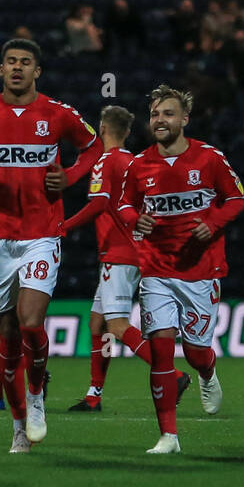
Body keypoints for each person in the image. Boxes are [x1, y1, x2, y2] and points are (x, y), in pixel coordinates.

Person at [0, 39, 103, 453]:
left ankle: (36, 395)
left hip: (42, 233)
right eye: (10, 62)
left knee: (31, 320)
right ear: (1, 70)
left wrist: (71, 178)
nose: (17, 68)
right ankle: (18, 425)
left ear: (38, 71)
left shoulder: (57, 114)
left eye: (25, 63)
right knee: (7, 335)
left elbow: (94, 147)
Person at [113, 87, 244, 453]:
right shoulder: (140, 165)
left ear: (184, 119)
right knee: (160, 350)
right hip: (157, 268)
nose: (160, 120)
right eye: (155, 114)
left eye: (168, 114)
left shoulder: (209, 158)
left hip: (201, 270)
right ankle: (169, 436)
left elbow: (237, 197)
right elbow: (123, 205)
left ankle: (206, 372)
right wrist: (135, 219)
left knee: (195, 350)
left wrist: (214, 223)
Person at [64, 105, 191, 413]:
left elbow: (99, 204)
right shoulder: (137, 162)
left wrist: (62, 227)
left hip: (119, 254)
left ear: (103, 130)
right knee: (98, 324)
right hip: (137, 250)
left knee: (118, 325)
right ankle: (94, 395)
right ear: (128, 131)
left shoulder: (105, 161)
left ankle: (172, 375)